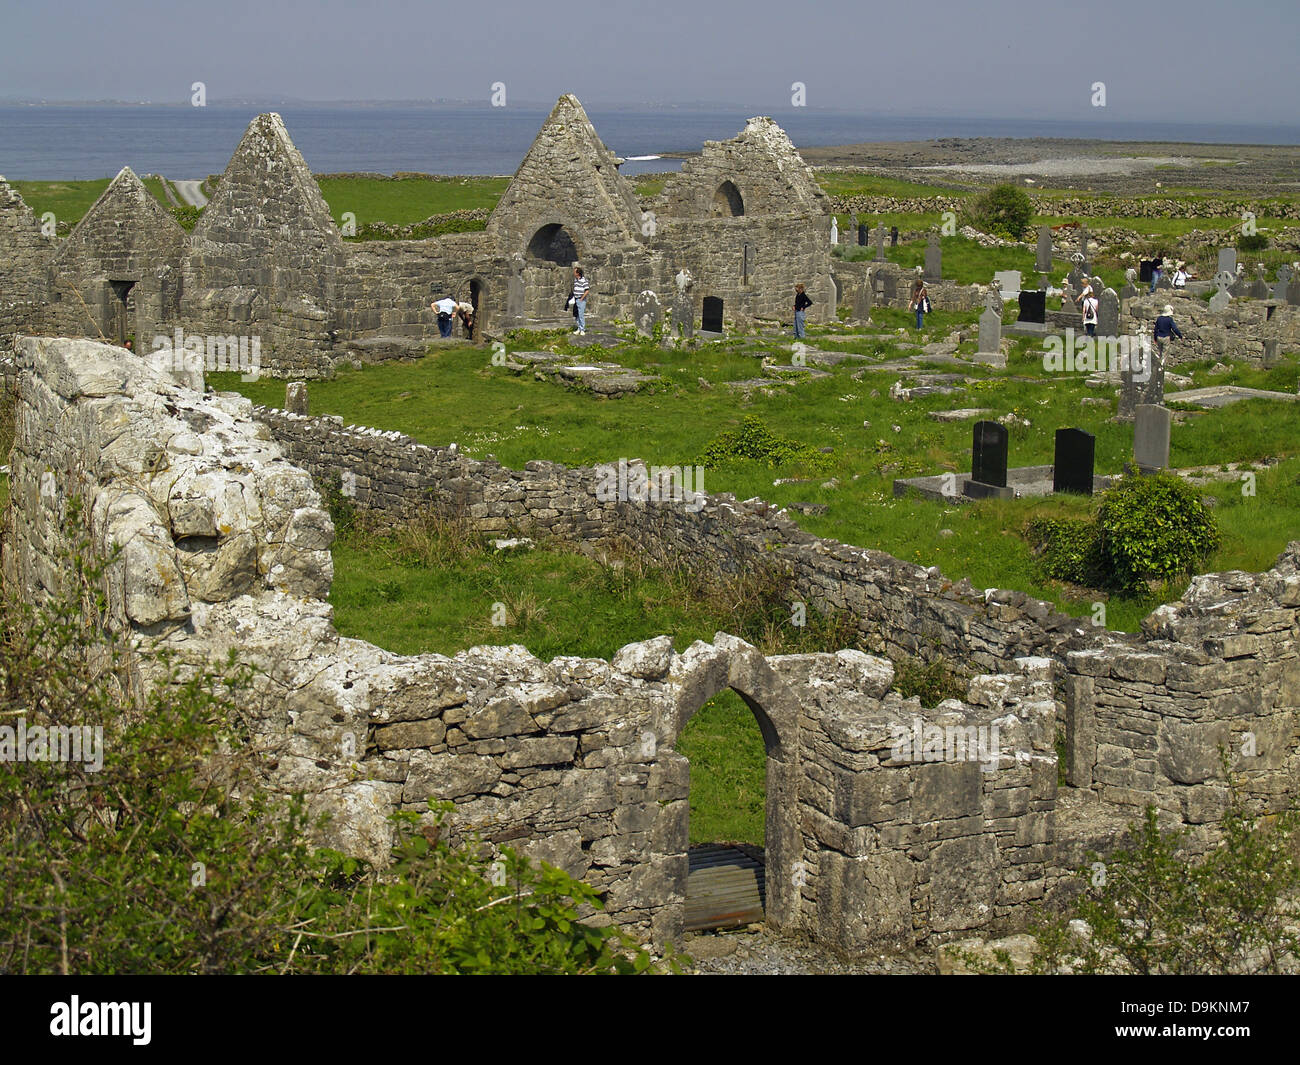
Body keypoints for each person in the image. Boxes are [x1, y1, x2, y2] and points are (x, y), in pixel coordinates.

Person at [571, 266, 589, 336]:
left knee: (581, 315)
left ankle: (582, 329)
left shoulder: (584, 280)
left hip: (581, 300)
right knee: (577, 315)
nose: (573, 273)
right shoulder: (576, 280)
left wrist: (582, 298)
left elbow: (587, 291)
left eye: (575, 272)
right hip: (576, 299)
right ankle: (579, 328)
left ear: (578, 273)